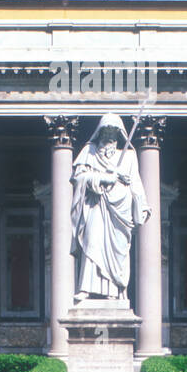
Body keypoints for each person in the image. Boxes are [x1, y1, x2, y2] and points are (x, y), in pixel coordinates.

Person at [70, 114, 150, 300]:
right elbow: (78, 178)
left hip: (119, 211)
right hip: (96, 207)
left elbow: (136, 184)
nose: (109, 136)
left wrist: (143, 207)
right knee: (91, 241)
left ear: (119, 134)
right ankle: (86, 288)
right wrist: (103, 178)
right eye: (106, 131)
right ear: (100, 132)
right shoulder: (89, 151)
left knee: (117, 251)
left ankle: (113, 291)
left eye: (113, 133)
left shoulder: (129, 157)